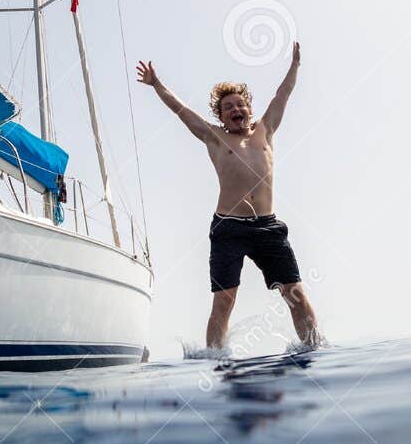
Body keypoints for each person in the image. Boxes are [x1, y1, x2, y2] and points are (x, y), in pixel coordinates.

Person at [136, 44, 319, 350]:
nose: (236, 110)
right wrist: (156, 84)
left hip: (268, 227)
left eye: (240, 104)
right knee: (224, 300)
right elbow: (182, 111)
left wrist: (295, 66)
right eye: (229, 107)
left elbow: (282, 94)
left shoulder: (265, 130)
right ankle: (214, 359)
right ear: (221, 116)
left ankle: (314, 348)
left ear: (249, 109)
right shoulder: (215, 137)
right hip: (228, 228)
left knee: (295, 293)